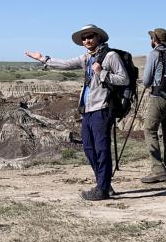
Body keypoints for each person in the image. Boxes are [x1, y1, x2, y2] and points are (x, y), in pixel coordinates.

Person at [25, 24, 129, 201]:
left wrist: (101, 72)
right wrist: (43, 59)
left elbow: (123, 78)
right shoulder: (86, 57)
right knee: (89, 148)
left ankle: (102, 189)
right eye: (84, 38)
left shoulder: (110, 56)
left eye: (90, 37)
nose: (87, 40)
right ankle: (103, 183)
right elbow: (66, 64)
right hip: (87, 109)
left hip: (102, 108)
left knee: (102, 149)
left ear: (98, 38)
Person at [139, 28, 166, 183]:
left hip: (159, 97)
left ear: (154, 39)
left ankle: (157, 170)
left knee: (149, 130)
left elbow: (146, 81)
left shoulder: (154, 54)